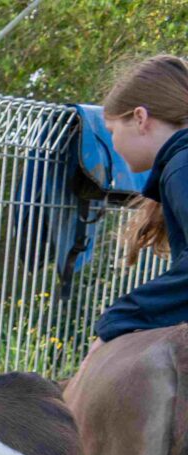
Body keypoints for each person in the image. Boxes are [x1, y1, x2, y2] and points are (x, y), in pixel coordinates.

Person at [94, 55, 188, 342]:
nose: (113, 143)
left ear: (139, 117)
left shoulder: (181, 167)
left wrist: (121, 318)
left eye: (111, 131)